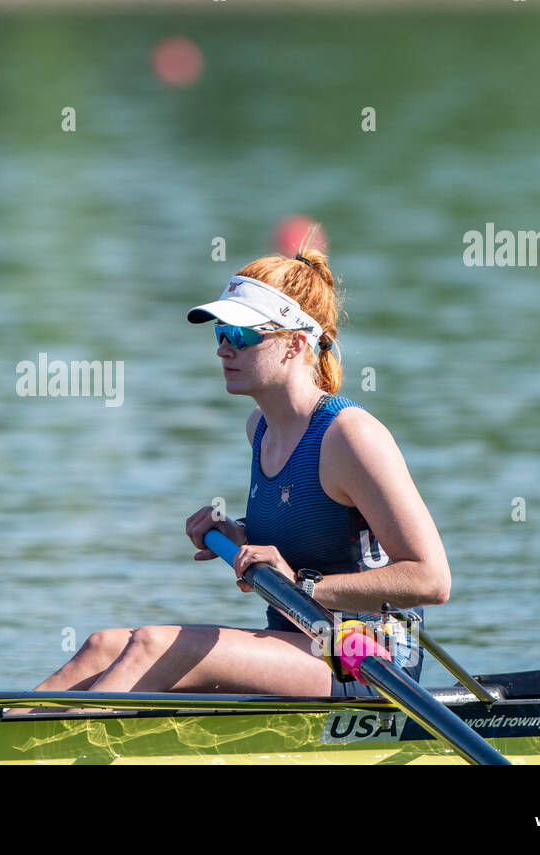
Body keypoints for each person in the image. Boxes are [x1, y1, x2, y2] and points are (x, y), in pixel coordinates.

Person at [37, 249, 450, 697]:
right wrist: (239, 535)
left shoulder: (350, 436)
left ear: (295, 344)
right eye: (220, 331)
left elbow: (431, 579)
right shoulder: (259, 428)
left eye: (241, 334)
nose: (222, 348)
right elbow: (317, 532)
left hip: (369, 660)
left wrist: (300, 584)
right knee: (102, 646)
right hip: (302, 644)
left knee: (155, 645)